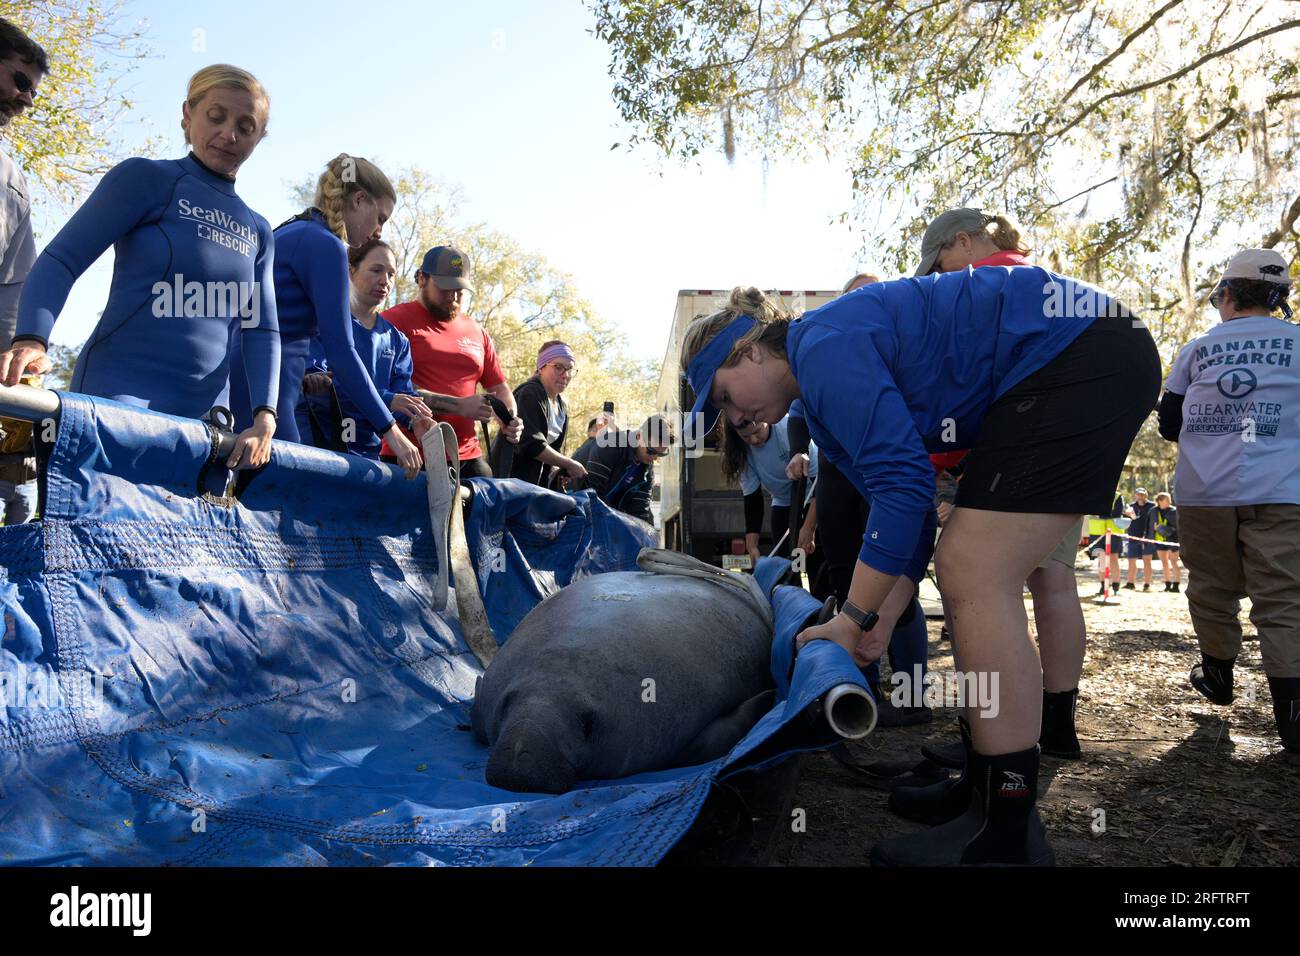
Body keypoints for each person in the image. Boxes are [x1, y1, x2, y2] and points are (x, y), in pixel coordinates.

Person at [681, 269, 1159, 866]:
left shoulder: (822, 346)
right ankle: (982, 789)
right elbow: (903, 508)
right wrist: (886, 610)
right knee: (964, 560)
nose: (733, 414)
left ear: (747, 350)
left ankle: (1006, 833)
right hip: (1071, 358)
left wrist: (851, 617)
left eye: (724, 395)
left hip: (1083, 351)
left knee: (975, 569)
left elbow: (905, 488)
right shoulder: (819, 396)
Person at [1, 64, 279, 471]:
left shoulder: (258, 230)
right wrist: (32, 338)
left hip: (206, 422)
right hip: (119, 398)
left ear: (259, 138)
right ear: (188, 114)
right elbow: (62, 259)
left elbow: (262, 329)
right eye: (215, 117)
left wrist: (264, 416)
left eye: (246, 126)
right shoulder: (146, 179)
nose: (229, 134)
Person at [901, 209, 1089, 784]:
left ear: (962, 242)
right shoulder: (1051, 286)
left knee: (972, 586)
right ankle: (1056, 721)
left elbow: (958, 383)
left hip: (988, 461)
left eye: (938, 263)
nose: (937, 276)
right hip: (1068, 450)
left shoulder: (979, 287)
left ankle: (990, 734)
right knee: (1053, 582)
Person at [1158, 248, 1300, 756]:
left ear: (1229, 295)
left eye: (1218, 295)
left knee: (1213, 587)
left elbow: (1168, 424)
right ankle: (1293, 721)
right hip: (1286, 490)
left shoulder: (1198, 350)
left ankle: (1217, 674)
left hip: (1206, 491)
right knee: (1283, 599)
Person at [228, 154, 422, 478]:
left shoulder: (294, 230)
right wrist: (391, 430)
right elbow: (341, 351)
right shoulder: (326, 245)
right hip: (262, 393)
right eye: (381, 218)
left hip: (260, 383)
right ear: (359, 199)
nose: (378, 231)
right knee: (279, 494)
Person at [385, 245, 522, 479]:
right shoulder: (394, 321)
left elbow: (499, 387)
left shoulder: (476, 331)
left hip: (467, 459)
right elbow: (388, 389)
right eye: (444, 287)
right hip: (410, 457)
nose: (452, 296)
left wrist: (510, 418)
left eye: (459, 290)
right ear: (421, 279)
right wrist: (459, 405)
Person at [295, 239, 432, 459]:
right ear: (350, 271)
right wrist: (387, 400)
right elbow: (318, 384)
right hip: (315, 449)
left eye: (391, 274)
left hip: (367, 458)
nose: (384, 281)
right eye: (376, 270)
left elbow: (403, 396)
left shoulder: (397, 340)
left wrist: (416, 419)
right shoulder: (321, 324)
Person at [719, 415, 819, 572]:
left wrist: (809, 528)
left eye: (757, 432)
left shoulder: (788, 430)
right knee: (787, 565)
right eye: (745, 436)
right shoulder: (741, 451)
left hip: (814, 497)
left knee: (815, 561)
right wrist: (752, 547)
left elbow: (820, 485)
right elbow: (753, 500)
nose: (753, 440)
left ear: (767, 419)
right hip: (782, 500)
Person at [491, 340, 587, 487]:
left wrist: (556, 468)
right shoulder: (529, 393)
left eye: (569, 369)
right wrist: (569, 463)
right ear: (541, 367)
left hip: (535, 487)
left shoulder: (561, 406)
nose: (565, 375)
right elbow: (532, 445)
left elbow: (554, 450)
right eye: (558, 367)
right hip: (510, 482)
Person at [0, 16, 42, 349]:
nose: (26, 100)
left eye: (33, 92)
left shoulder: (12, 183)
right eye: (20, 81)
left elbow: (12, 292)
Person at [573, 414, 673, 526]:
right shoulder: (610, 445)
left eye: (660, 454)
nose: (654, 458)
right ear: (639, 436)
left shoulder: (647, 472)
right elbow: (591, 492)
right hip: (572, 501)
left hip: (603, 512)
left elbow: (640, 513)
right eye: (651, 451)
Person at [1122, 487, 1157, 590]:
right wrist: (1126, 515)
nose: (1140, 496)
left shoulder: (1152, 506)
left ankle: (1147, 584)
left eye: (1142, 494)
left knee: (1147, 561)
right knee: (1131, 560)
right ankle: (1130, 583)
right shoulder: (1130, 507)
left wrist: (1150, 535)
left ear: (1146, 495)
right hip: (1133, 537)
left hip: (1147, 538)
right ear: (1135, 495)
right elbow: (1125, 522)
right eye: (1139, 494)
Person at [1152, 492, 1180, 592]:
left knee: (1174, 562)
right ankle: (1167, 584)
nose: (1169, 501)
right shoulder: (1154, 511)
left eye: (1169, 500)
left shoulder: (1174, 511)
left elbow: (1178, 527)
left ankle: (1176, 585)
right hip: (1160, 541)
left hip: (1172, 540)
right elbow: (1151, 525)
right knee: (1164, 563)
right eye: (1167, 500)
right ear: (1159, 501)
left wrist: (1164, 529)